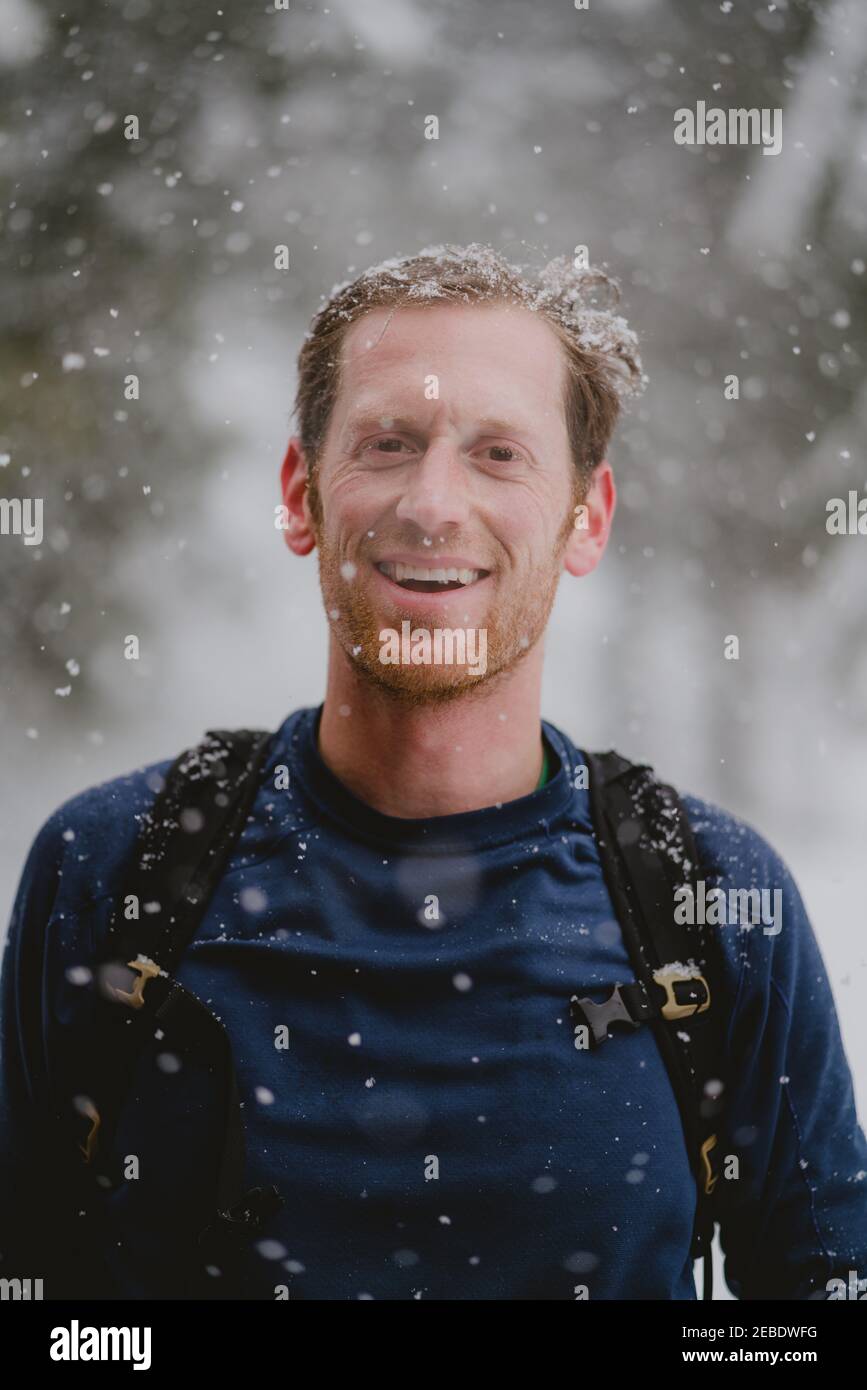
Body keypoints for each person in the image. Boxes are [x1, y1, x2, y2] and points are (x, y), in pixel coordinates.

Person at [1, 244, 865, 1301]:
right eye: (387, 442)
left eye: (499, 453)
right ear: (301, 494)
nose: (432, 502)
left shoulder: (717, 900)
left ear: (585, 517)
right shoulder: (114, 867)